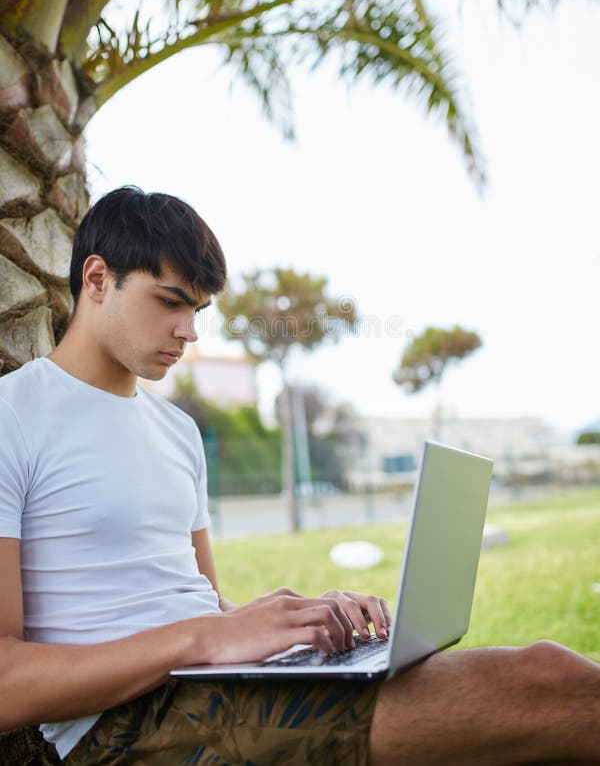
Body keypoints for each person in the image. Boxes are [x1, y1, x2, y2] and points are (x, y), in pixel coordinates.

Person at [0, 186, 598, 766]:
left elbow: (206, 609)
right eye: (170, 302)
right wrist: (200, 639)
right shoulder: (14, 417)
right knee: (541, 686)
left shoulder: (177, 432)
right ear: (98, 280)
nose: (189, 330)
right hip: (126, 726)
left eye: (198, 310)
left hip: (215, 689)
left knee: (552, 674)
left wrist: (296, 625)